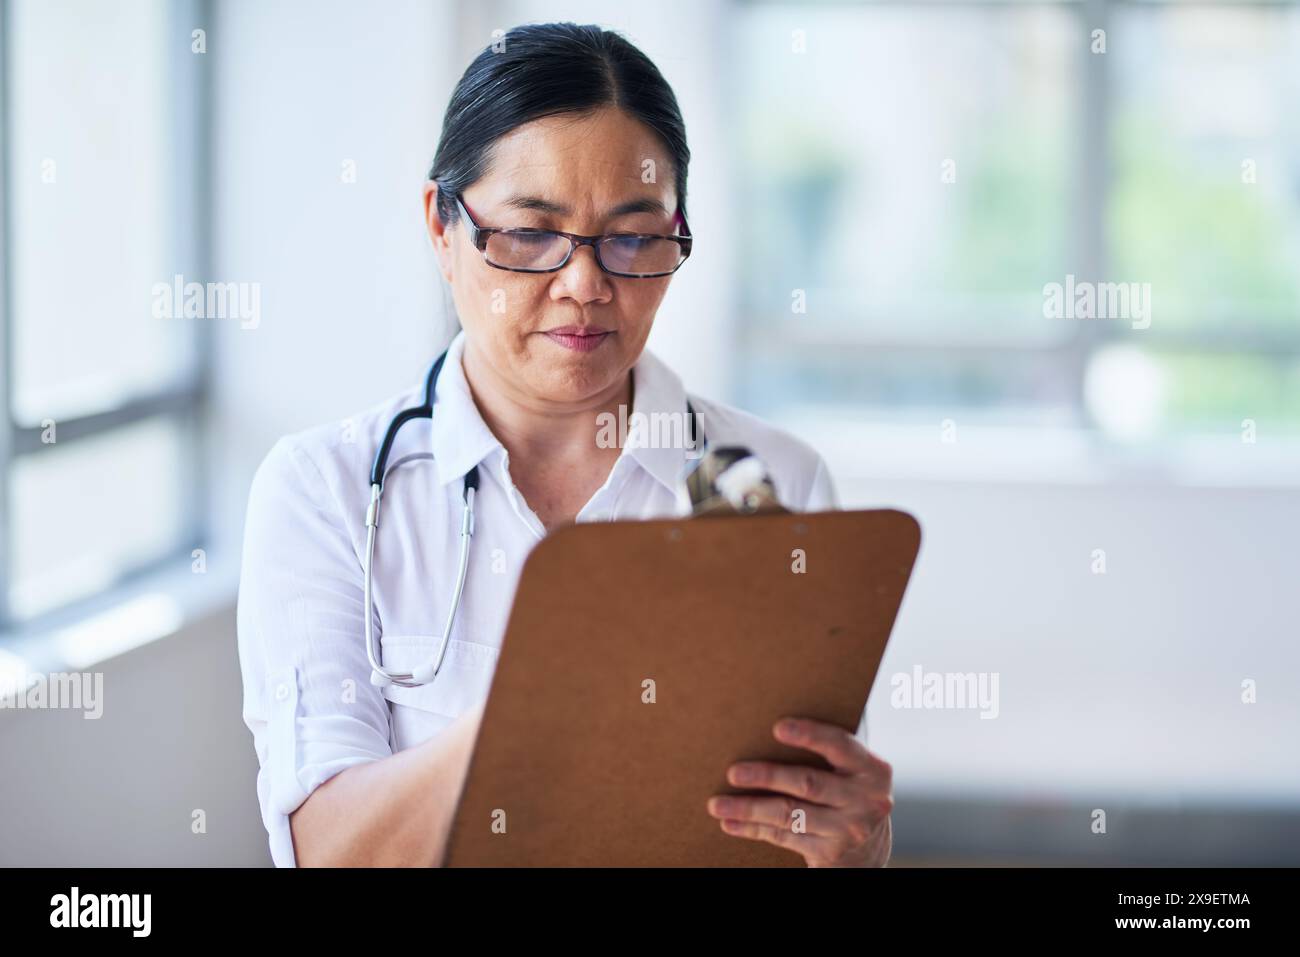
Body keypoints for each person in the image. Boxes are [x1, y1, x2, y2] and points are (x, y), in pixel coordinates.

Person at [236, 21, 893, 868]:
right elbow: (333, 852)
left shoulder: (770, 483)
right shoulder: (322, 490)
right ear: (442, 226)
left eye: (632, 238)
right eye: (530, 233)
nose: (585, 284)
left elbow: (810, 821)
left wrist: (856, 844)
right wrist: (556, 686)